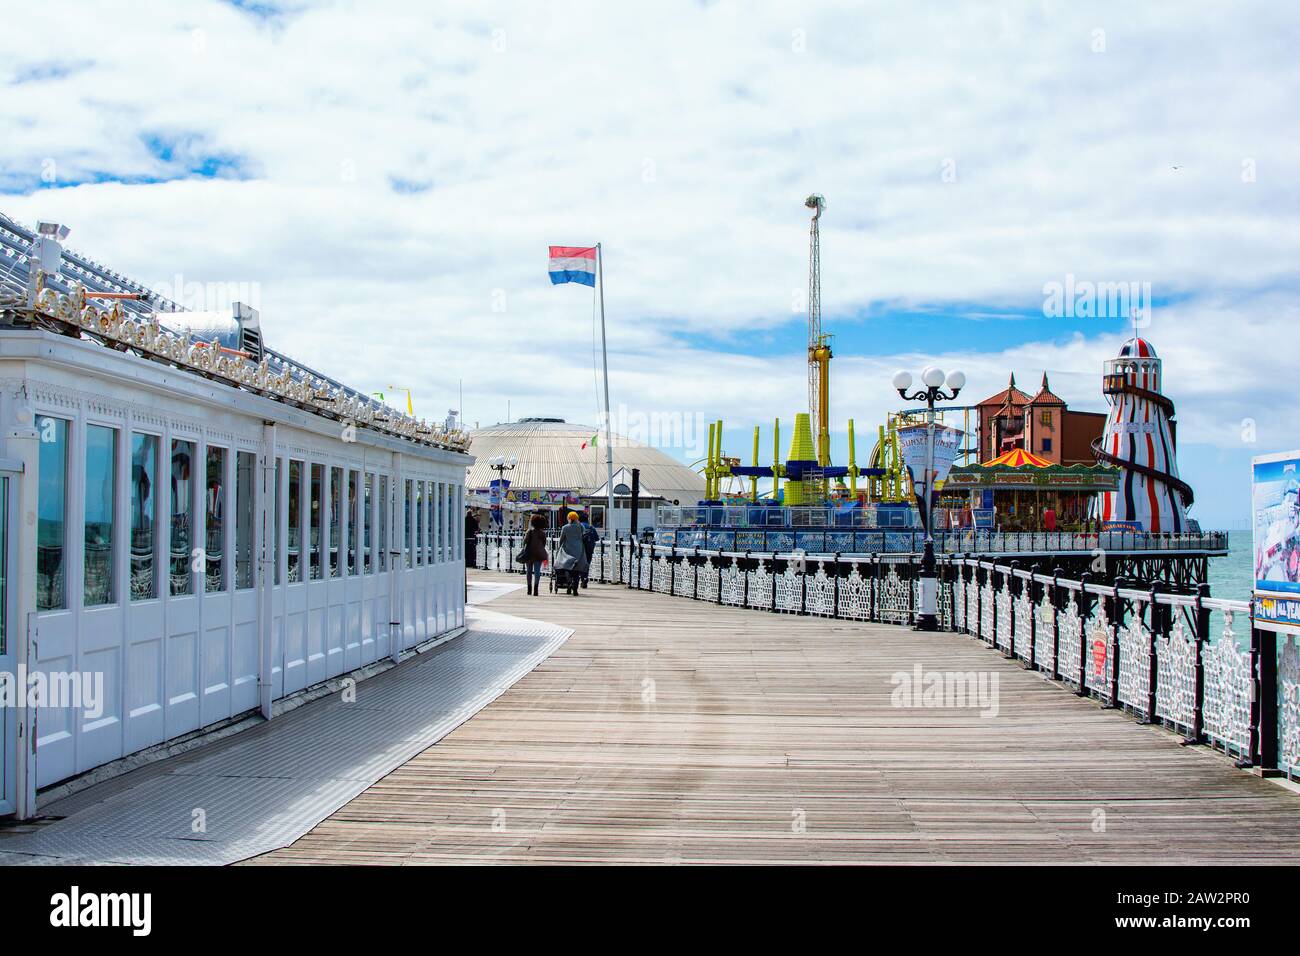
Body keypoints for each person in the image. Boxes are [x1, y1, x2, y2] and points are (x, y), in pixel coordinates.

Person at [554, 511, 590, 596]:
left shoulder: (565, 527)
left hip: (567, 550)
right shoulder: (580, 527)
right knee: (576, 571)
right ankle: (575, 588)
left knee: (567, 568)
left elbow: (561, 539)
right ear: (577, 518)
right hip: (579, 550)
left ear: (569, 518)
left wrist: (559, 548)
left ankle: (569, 584)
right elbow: (583, 536)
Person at [520, 513, 548, 596]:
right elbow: (544, 543)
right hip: (538, 554)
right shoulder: (542, 533)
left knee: (529, 571)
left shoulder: (530, 531)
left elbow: (525, 541)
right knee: (537, 571)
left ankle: (529, 588)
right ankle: (536, 588)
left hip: (529, 553)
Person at [578, 512, 598, 587]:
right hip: (589, 549)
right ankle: (585, 577)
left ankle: (580, 577)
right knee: (587, 564)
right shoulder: (591, 527)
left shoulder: (578, 526)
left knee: (578, 563)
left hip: (579, 549)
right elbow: (597, 538)